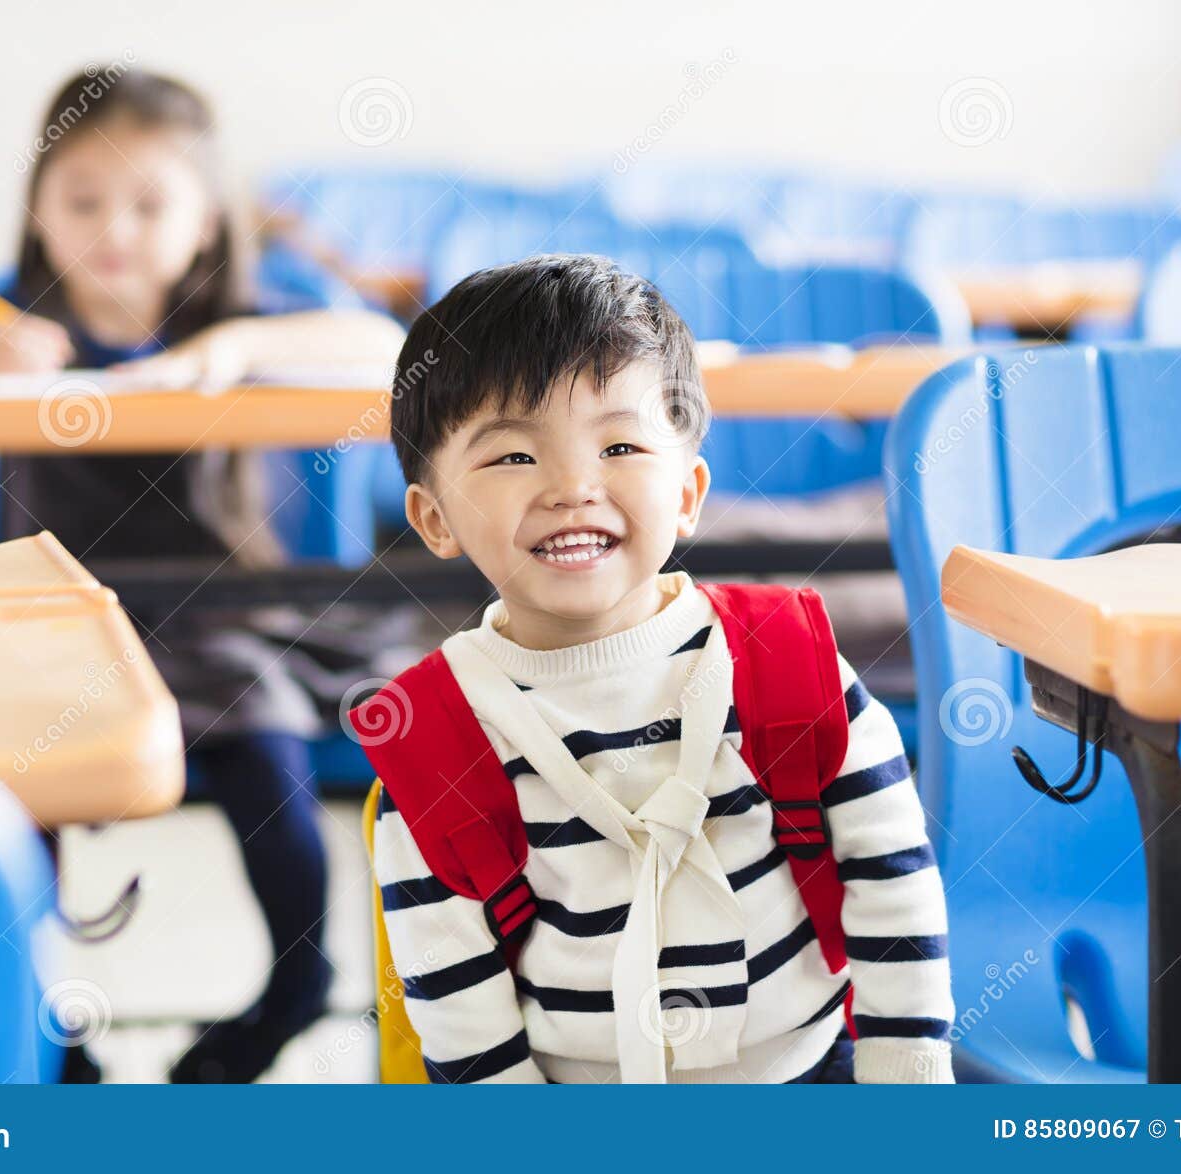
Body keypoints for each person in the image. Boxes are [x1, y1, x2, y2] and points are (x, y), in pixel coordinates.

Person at [0, 68, 410, 1083]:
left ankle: (296, 979)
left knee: (260, 724)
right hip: (56, 611)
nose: (113, 228)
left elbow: (380, 344)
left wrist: (239, 348)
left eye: (150, 204)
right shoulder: (11, 318)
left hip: (221, 608)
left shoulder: (234, 317)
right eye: (83, 200)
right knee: (14, 750)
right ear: (38, 208)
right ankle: (49, 1028)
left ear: (204, 222)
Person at [358, 254, 955, 1083]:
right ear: (433, 518)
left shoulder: (789, 660)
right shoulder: (434, 742)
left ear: (687, 492)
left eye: (621, 444)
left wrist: (906, 1085)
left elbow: (893, 881)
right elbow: (458, 1007)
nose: (573, 486)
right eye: (513, 457)